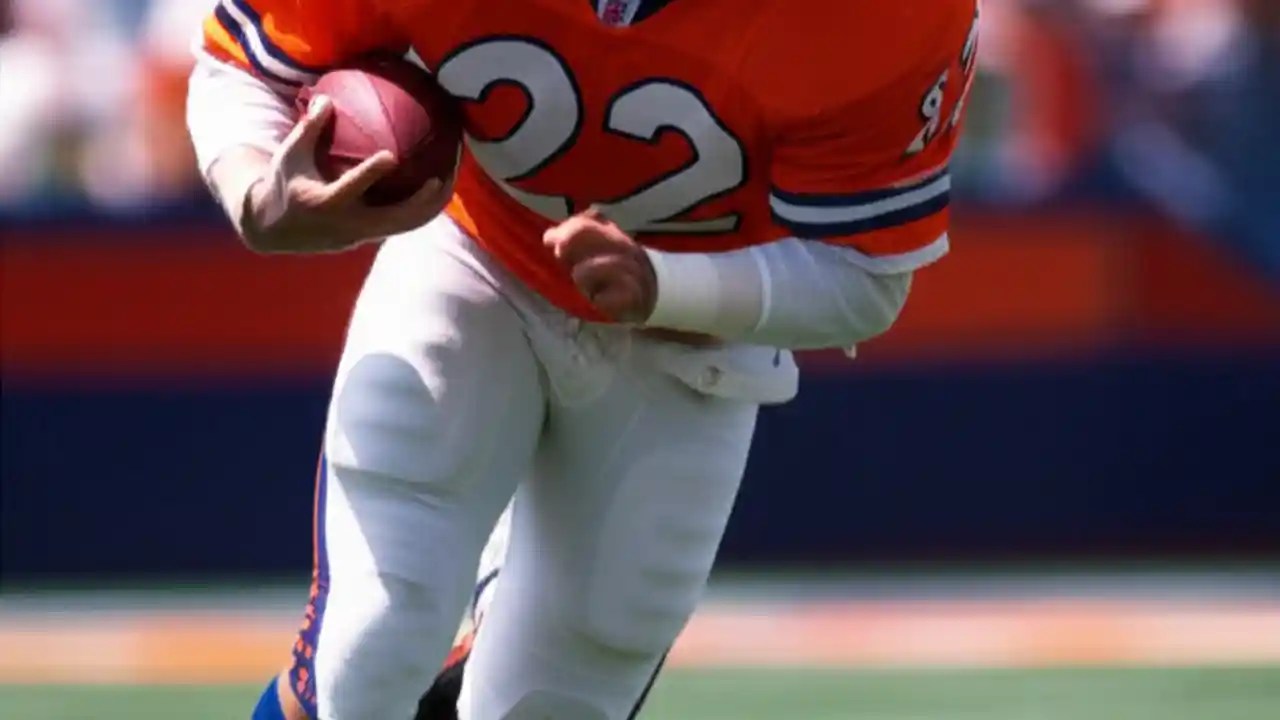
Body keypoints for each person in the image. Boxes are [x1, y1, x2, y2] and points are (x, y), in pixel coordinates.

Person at [186, 1, 981, 718]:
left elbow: (863, 277)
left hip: (689, 346)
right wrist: (257, 191)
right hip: (476, 254)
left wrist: (667, 287)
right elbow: (241, 64)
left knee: (557, 702)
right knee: (368, 647)